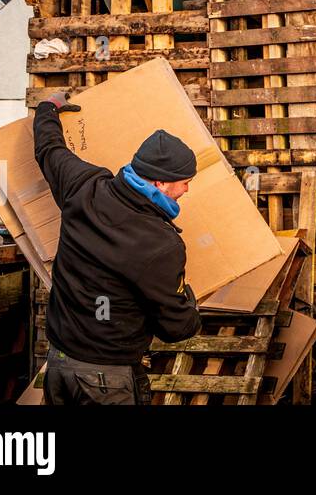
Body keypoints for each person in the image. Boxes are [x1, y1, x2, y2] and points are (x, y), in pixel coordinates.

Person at [34, 93, 201, 405]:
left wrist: (48, 108)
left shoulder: (84, 186)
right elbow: (175, 327)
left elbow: (49, 149)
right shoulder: (161, 245)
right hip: (105, 381)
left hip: (58, 366)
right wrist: (191, 306)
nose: (187, 189)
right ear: (161, 183)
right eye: (185, 182)